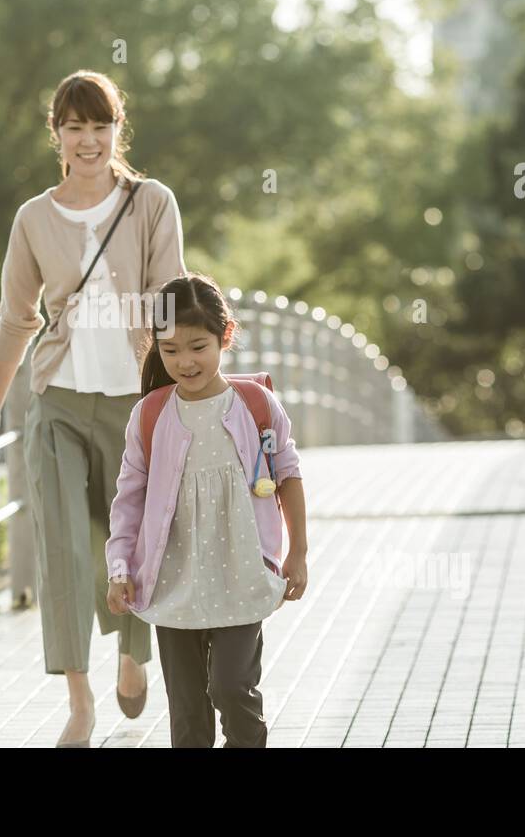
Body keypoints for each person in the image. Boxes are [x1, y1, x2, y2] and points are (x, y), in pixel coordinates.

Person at [0, 69, 186, 747]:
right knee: (63, 545)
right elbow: (15, 321)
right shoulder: (34, 218)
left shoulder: (151, 202)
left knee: (128, 543)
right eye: (75, 127)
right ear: (56, 133)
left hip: (135, 404)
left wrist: (183, 396)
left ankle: (132, 650)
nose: (88, 140)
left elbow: (170, 298)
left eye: (101, 126)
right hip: (58, 402)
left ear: (118, 128)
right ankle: (79, 700)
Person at [105, 273, 309, 747]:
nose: (184, 361)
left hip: (241, 575)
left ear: (226, 336)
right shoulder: (152, 414)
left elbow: (289, 476)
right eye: (170, 349)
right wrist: (119, 567)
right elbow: (128, 498)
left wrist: (297, 552)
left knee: (232, 688)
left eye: (197, 346)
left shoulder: (255, 404)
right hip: (173, 583)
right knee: (188, 714)